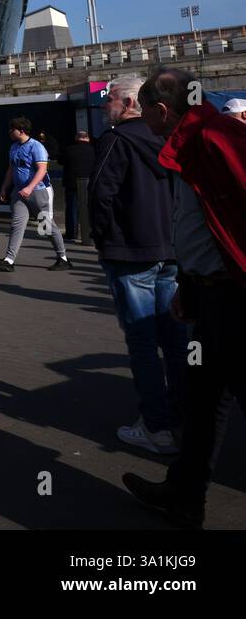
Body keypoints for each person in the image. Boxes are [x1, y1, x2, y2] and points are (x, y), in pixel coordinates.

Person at [123, 68, 246, 529]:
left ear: (161, 110)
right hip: (210, 295)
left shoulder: (215, 137)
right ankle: (184, 494)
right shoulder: (196, 141)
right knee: (202, 402)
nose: (140, 117)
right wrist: (190, 286)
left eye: (144, 109)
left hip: (234, 300)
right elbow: (205, 225)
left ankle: (185, 493)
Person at [89, 74, 186, 455]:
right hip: (171, 251)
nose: (102, 106)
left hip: (131, 254)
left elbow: (101, 196)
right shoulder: (167, 138)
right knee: (175, 341)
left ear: (129, 104)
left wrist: (106, 241)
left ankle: (156, 426)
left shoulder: (116, 141)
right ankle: (181, 415)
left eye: (108, 100)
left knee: (143, 343)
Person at [0, 117, 71, 272]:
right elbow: (11, 169)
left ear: (21, 130)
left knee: (46, 226)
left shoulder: (36, 146)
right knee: (17, 225)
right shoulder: (13, 147)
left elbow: (42, 170)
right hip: (19, 192)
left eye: (12, 129)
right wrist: (4, 187)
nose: (9, 132)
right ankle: (9, 260)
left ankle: (63, 258)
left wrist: (29, 187)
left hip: (38, 191)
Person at [61, 130, 95, 243]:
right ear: (88, 138)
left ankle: (72, 233)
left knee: (72, 208)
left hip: (72, 182)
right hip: (90, 183)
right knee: (89, 208)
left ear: (77, 138)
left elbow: (61, 161)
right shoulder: (94, 150)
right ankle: (90, 233)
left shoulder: (69, 149)